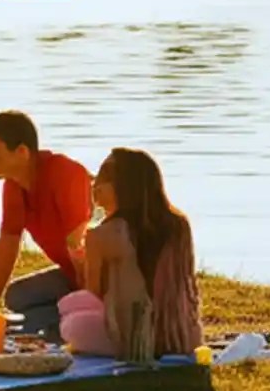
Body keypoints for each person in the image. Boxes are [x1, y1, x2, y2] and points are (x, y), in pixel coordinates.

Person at [59, 148, 203, 358]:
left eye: (103, 177)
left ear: (123, 185)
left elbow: (93, 295)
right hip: (183, 337)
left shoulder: (101, 235)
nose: (94, 185)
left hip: (135, 342)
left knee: (71, 316)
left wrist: (80, 264)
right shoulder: (179, 224)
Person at [0, 111, 92, 340]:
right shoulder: (14, 184)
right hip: (71, 276)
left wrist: (88, 301)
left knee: (25, 327)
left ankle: (70, 323)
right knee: (16, 296)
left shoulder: (65, 174)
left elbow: (83, 249)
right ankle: (56, 324)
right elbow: (8, 243)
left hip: (102, 281)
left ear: (22, 152)